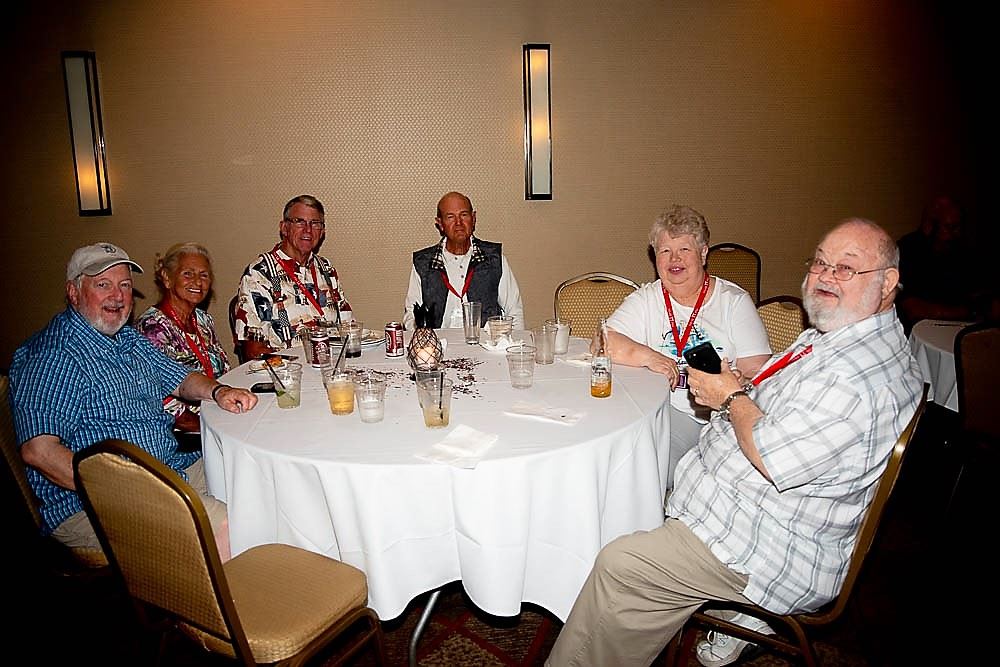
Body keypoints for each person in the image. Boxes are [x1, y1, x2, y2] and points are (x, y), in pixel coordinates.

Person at [546, 218, 922, 666]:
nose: (824, 275)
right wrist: (725, 394)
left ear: (888, 283)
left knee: (621, 565)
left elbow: (771, 450)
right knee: (626, 480)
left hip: (764, 543)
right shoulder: (838, 342)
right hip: (748, 501)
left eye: (845, 269)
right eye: (820, 262)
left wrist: (729, 396)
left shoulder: (855, 376)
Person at [9, 243, 257, 561]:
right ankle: (219, 608)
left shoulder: (127, 338)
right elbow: (39, 452)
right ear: (73, 292)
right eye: (103, 285)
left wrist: (218, 392)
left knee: (252, 481)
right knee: (227, 527)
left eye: (125, 285)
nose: (118, 296)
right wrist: (131, 489)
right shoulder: (54, 356)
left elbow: (180, 378)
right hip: (95, 500)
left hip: (166, 467)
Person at [603, 205, 771, 487]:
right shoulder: (648, 299)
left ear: (704, 253)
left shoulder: (733, 302)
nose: (674, 259)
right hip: (658, 411)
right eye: (665, 251)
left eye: (684, 250)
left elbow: (762, 374)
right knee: (616, 453)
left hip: (714, 420)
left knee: (639, 470)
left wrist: (739, 381)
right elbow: (604, 341)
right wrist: (649, 356)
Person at [234, 194, 353, 359]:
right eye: (299, 222)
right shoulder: (259, 274)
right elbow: (254, 350)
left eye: (315, 223)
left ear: (322, 231)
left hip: (331, 364)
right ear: (284, 228)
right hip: (287, 372)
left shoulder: (326, 269)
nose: (308, 230)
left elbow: (347, 326)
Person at [136, 242, 231, 435]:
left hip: (218, 413)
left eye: (204, 275)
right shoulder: (153, 329)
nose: (197, 282)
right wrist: (211, 430)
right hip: (184, 434)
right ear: (167, 278)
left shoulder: (203, 320)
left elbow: (223, 371)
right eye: (188, 274)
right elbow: (164, 404)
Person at [403, 191, 524, 330]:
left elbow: (514, 312)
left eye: (464, 215)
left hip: (485, 345)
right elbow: (411, 314)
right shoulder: (423, 263)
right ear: (440, 223)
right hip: (438, 346)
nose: (458, 223)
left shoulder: (494, 259)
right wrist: (423, 339)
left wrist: (511, 348)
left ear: (473, 219)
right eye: (450, 217)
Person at [895, 195, 979, 331]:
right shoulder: (908, 250)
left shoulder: (961, 251)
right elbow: (913, 309)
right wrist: (968, 312)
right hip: (923, 334)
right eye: (950, 227)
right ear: (929, 226)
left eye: (958, 227)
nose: (956, 233)